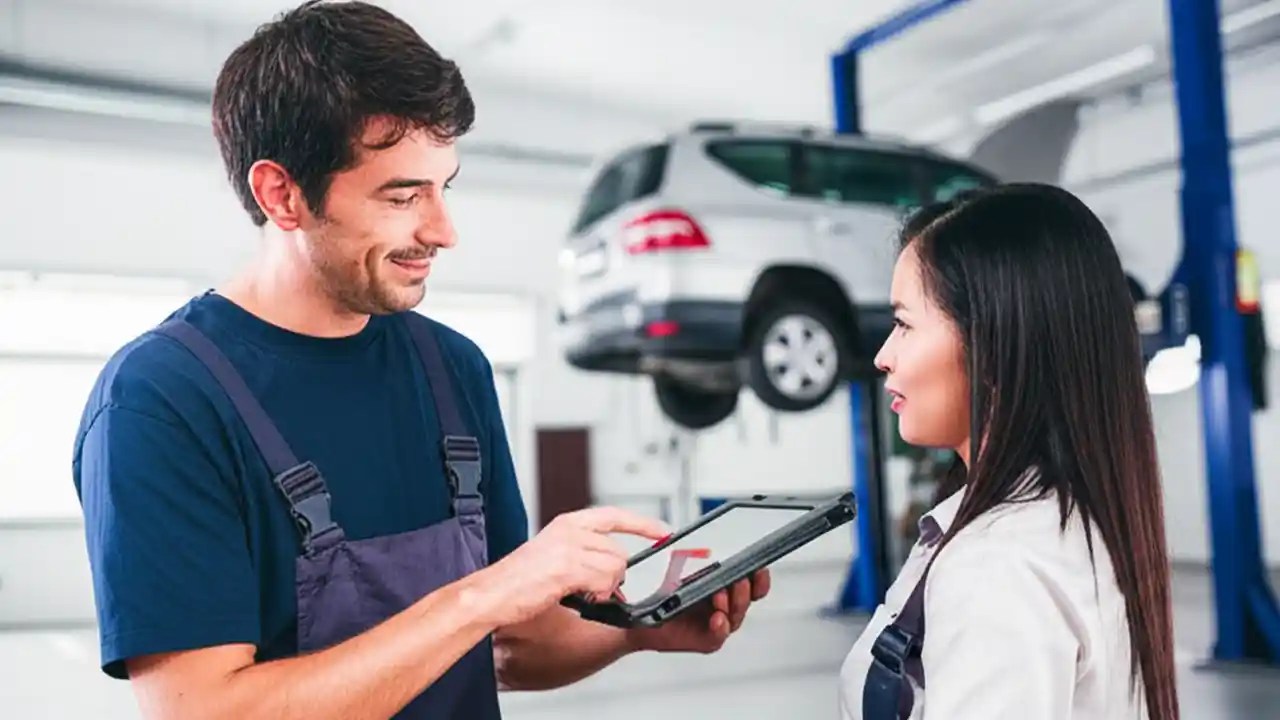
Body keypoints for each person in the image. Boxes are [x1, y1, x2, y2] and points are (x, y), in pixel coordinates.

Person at [70, 2, 769, 718]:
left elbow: (508, 645)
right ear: (281, 194)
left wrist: (640, 631)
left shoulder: (453, 369)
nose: (443, 230)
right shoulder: (161, 403)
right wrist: (480, 595)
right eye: (402, 195)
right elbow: (208, 711)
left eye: (444, 186)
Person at [837, 184, 1180, 720]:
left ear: (993, 345)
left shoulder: (998, 567)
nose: (884, 356)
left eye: (904, 324)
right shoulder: (1067, 521)